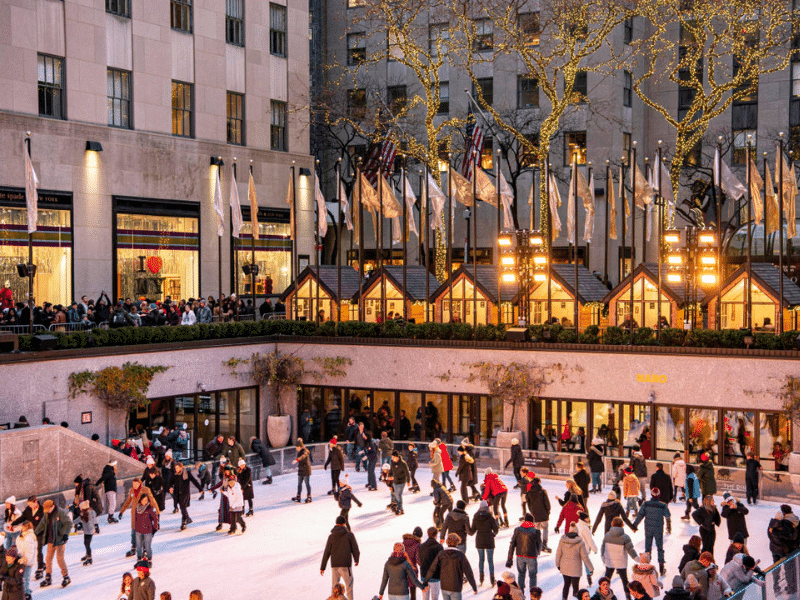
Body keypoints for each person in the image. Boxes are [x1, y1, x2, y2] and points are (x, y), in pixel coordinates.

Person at [422, 533, 478, 600]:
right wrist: (474, 587)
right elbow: (468, 572)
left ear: (447, 542)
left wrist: (425, 582)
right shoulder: (460, 555)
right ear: (457, 542)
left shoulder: (441, 554)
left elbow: (432, 569)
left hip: (444, 587)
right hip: (455, 587)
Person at [632, 487, 670, 576]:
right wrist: (669, 527)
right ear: (659, 495)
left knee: (648, 548)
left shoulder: (646, 504)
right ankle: (661, 568)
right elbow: (667, 516)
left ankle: (646, 567)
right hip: (659, 529)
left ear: (651, 495)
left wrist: (634, 525)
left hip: (648, 528)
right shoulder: (663, 505)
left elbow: (640, 515)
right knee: (660, 548)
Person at [321, 516, 360, 600]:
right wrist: (356, 559)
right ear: (344, 524)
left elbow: (326, 552)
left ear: (336, 524)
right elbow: (355, 549)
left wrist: (322, 567)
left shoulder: (331, 536)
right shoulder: (349, 535)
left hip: (334, 566)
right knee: (349, 587)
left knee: (334, 589)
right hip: (346, 565)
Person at [34, 499, 71, 588]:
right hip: (51, 540)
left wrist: (64, 534)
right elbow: (42, 524)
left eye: (48, 509)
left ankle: (66, 577)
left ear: (53, 506)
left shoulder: (60, 512)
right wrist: (35, 532)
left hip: (59, 540)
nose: (47, 511)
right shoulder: (47, 514)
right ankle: (48, 577)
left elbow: (68, 524)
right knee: (48, 559)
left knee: (60, 559)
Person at [601, 516, 638, 600]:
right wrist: (637, 559)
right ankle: (628, 597)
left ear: (612, 524)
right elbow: (630, 550)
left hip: (610, 562)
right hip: (621, 562)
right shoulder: (625, 537)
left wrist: (603, 558)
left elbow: (603, 547)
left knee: (606, 580)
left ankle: (603, 596)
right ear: (622, 525)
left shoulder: (607, 535)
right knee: (625, 580)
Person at [506, 512, 542, 595]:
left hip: (520, 556)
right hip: (532, 557)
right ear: (532, 521)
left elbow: (512, 544)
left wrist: (509, 558)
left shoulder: (517, 530)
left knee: (521, 575)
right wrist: (537, 553)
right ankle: (533, 596)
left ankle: (521, 594)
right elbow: (540, 545)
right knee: (532, 576)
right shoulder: (536, 531)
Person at [556, 522, 594, 600]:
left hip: (565, 567)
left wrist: (558, 564)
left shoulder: (563, 540)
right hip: (576, 569)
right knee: (575, 587)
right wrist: (590, 568)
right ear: (577, 532)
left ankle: (564, 598)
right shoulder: (580, 542)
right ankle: (576, 597)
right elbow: (585, 557)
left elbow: (558, 553)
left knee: (566, 585)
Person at [471, 500, 499, 586]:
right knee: (490, 560)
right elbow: (496, 529)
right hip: (489, 539)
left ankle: (481, 577)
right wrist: (493, 535)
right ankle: (492, 578)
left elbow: (473, 530)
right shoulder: (490, 517)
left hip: (479, 539)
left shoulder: (476, 517)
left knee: (481, 559)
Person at [169, 462, 202, 530]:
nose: (176, 469)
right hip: (177, 493)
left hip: (185, 493)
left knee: (183, 507)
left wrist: (200, 488)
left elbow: (194, 481)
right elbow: (170, 482)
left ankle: (185, 521)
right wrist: (171, 487)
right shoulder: (175, 474)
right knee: (182, 508)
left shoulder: (187, 473)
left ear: (181, 467)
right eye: (175, 468)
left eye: (177, 468)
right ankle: (186, 520)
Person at [524, 475, 552, 552]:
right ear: (539, 482)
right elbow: (547, 503)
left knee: (537, 529)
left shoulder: (529, 492)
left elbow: (528, 504)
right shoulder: (543, 491)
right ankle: (544, 543)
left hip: (535, 514)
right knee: (545, 529)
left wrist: (532, 511)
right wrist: (548, 511)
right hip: (544, 514)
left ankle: (538, 543)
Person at [132, 493, 159, 566]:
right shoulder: (137, 509)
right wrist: (135, 528)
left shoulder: (149, 509)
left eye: (146, 500)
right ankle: (139, 560)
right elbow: (135, 519)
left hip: (147, 531)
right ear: (140, 500)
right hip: (138, 531)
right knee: (138, 546)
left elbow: (155, 518)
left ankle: (149, 560)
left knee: (147, 546)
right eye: (143, 500)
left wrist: (154, 528)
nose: (145, 501)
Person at [418, 527, 443, 600]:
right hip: (435, 576)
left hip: (424, 575)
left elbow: (420, 560)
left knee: (425, 598)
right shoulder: (439, 547)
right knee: (435, 598)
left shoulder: (421, 546)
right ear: (436, 534)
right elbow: (441, 561)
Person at [96, 459, 119, 524]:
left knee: (112, 503)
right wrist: (96, 484)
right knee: (112, 503)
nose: (116, 467)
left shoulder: (110, 471)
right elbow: (103, 477)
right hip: (110, 489)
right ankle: (110, 517)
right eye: (115, 465)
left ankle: (111, 516)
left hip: (111, 489)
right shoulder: (109, 471)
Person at [388, 450, 411, 515]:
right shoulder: (392, 463)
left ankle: (400, 509)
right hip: (395, 481)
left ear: (397, 457)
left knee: (398, 495)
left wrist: (408, 481)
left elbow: (407, 473)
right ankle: (397, 506)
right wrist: (390, 476)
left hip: (401, 481)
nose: (392, 458)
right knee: (395, 494)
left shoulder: (403, 463)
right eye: (392, 457)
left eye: (393, 457)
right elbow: (391, 471)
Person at [292, 438, 313, 503]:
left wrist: (297, 460)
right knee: (299, 484)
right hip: (301, 470)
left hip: (306, 470)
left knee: (307, 483)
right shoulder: (300, 452)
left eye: (297, 448)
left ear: (300, 447)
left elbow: (303, 456)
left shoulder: (305, 451)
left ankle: (309, 496)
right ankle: (298, 496)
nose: (296, 449)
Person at [77, 500, 97, 566]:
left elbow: (94, 520)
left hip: (90, 531)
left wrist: (96, 526)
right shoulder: (83, 513)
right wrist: (78, 524)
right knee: (85, 543)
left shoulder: (91, 512)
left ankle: (89, 558)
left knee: (87, 544)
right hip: (86, 531)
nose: (80, 509)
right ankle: (87, 554)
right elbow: (79, 520)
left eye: (81, 508)